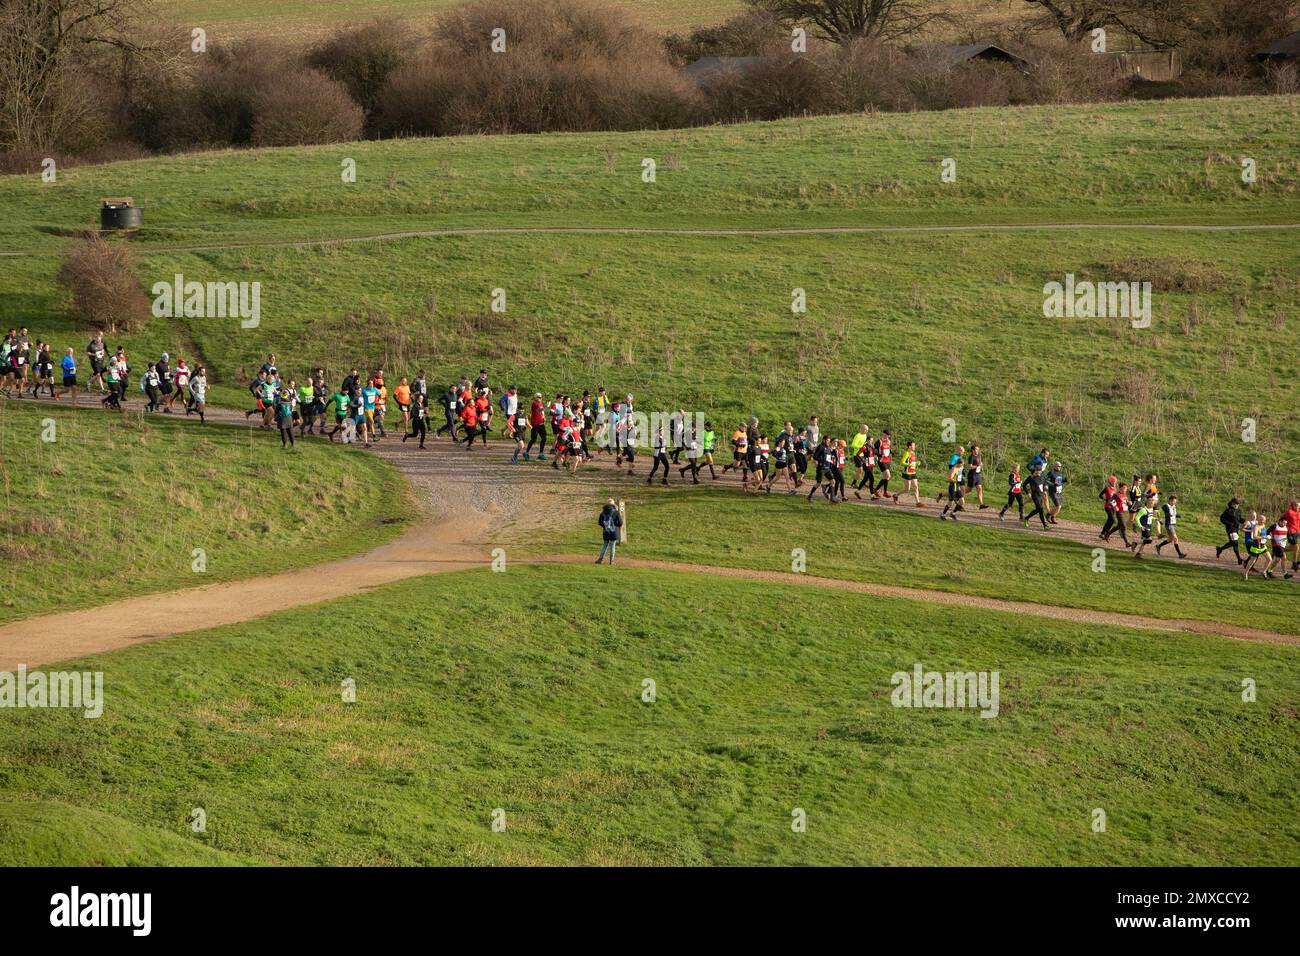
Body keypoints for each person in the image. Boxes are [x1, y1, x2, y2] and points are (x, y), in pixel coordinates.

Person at [1154, 494, 1187, 559]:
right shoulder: (1165, 506)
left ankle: (1158, 546)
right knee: (1175, 539)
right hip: (1169, 525)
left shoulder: (1174, 506)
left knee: (1170, 539)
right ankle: (1180, 554)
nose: (1174, 502)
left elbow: (1173, 515)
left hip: (1172, 524)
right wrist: (1159, 518)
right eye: (1173, 501)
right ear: (1170, 501)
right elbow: (1158, 512)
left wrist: (1179, 516)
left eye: (1175, 501)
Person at [1216, 497, 1244, 564]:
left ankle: (1220, 549)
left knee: (1232, 543)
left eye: (1238, 504)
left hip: (1236, 529)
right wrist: (1229, 524)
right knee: (1235, 543)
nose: (1237, 505)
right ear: (1232, 504)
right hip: (1230, 529)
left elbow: (1239, 519)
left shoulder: (1238, 511)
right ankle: (1239, 559)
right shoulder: (1228, 511)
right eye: (1236, 504)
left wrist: (1245, 521)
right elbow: (1222, 519)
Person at [596, 499, 622, 564]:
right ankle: (611, 561)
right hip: (614, 532)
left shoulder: (602, 513)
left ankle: (600, 560)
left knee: (605, 545)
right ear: (613, 505)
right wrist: (616, 525)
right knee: (612, 546)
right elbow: (621, 522)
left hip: (606, 532)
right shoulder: (616, 512)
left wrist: (605, 527)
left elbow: (599, 522)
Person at [898, 440, 921, 506]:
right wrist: (910, 465)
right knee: (907, 489)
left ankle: (918, 502)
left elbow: (913, 462)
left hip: (913, 472)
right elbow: (902, 463)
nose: (914, 446)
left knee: (916, 487)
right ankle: (896, 495)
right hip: (907, 473)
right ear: (909, 446)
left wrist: (917, 463)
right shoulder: (906, 453)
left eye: (914, 445)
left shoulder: (913, 453)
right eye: (913, 445)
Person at [967, 444, 987, 509]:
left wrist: (981, 465)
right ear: (972, 450)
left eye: (978, 449)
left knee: (979, 488)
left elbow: (979, 463)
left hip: (978, 475)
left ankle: (981, 504)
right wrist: (977, 466)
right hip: (972, 475)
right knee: (969, 490)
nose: (977, 450)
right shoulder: (971, 457)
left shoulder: (978, 456)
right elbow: (969, 467)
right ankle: (958, 495)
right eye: (976, 449)